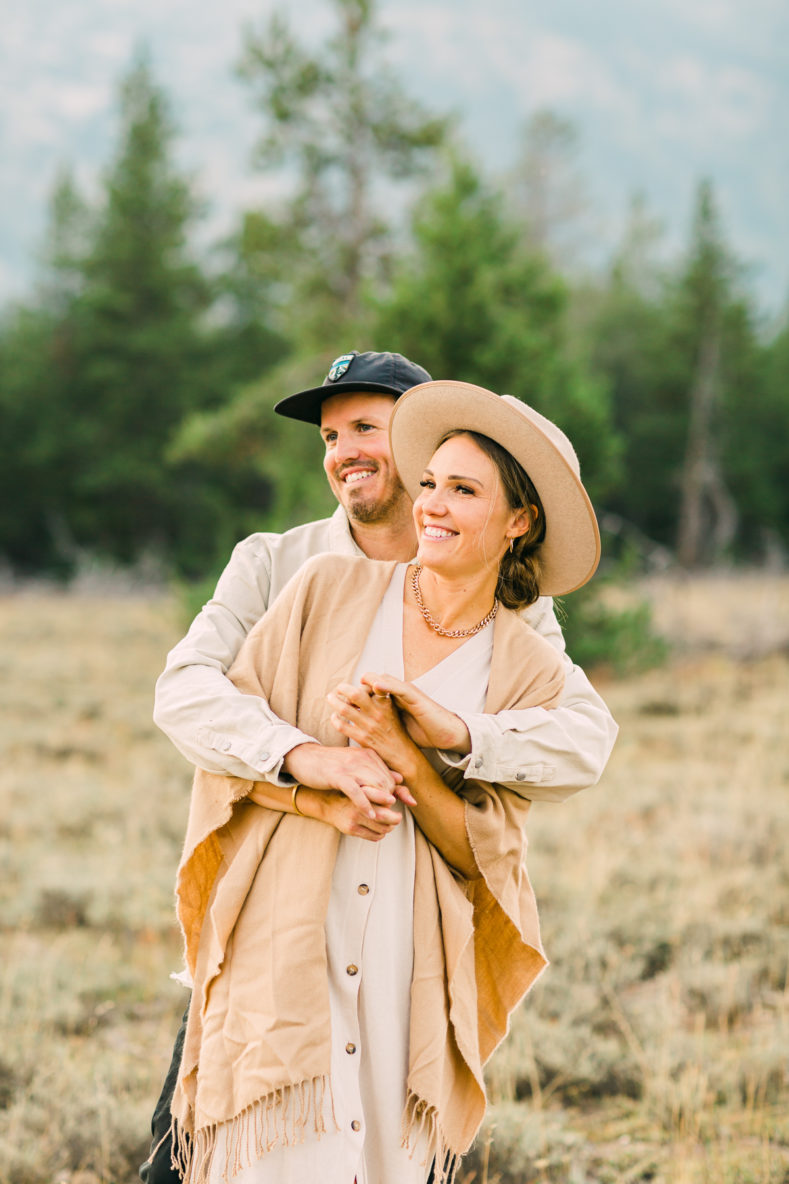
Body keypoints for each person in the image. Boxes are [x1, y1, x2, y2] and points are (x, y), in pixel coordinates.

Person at [141, 351, 618, 1182]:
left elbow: (567, 731)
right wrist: (307, 762)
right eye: (331, 436)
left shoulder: (514, 613)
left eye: (366, 427)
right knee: (191, 1148)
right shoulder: (285, 566)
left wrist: (456, 735)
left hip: (406, 923)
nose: (344, 451)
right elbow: (187, 694)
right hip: (276, 910)